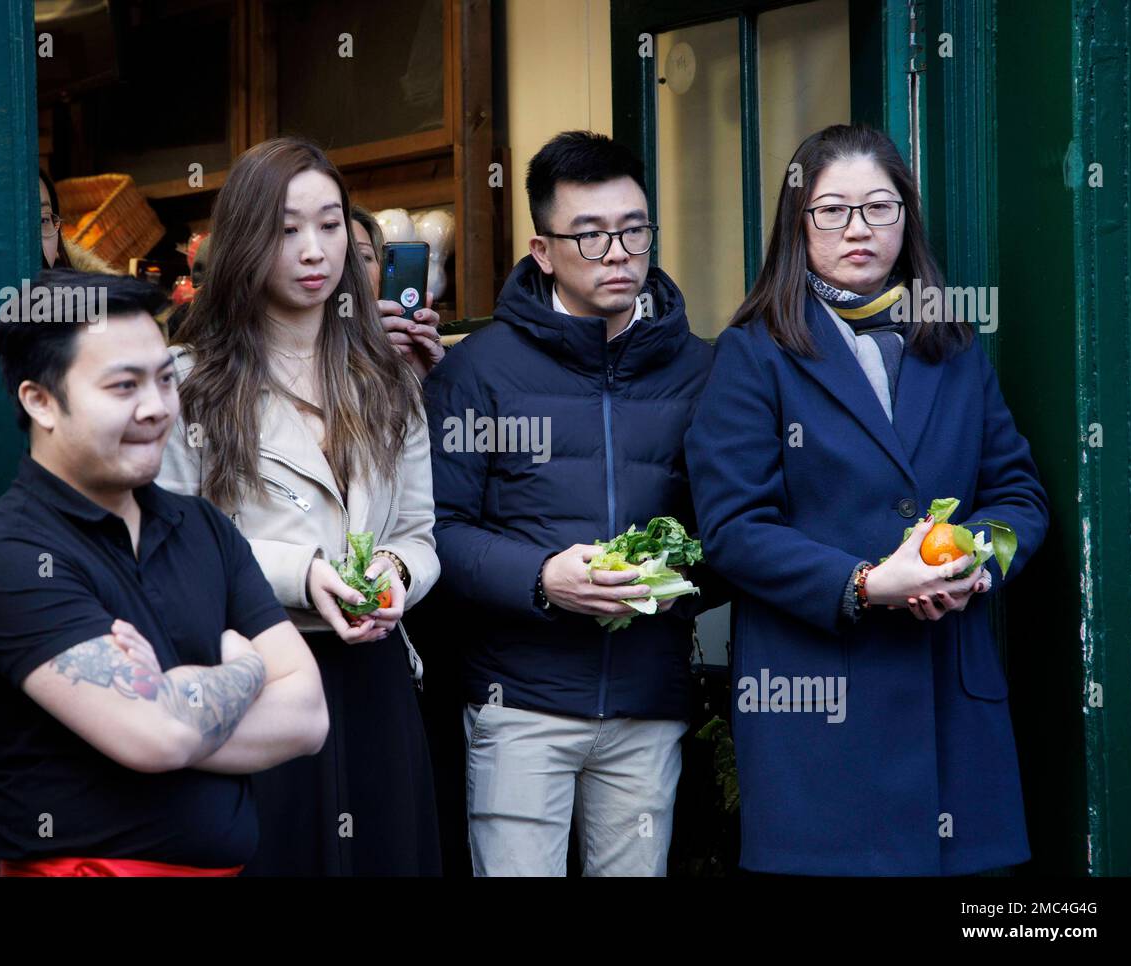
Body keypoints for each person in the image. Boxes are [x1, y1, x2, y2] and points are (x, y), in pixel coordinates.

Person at [685, 124, 1049, 876]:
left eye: (880, 207)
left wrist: (974, 561)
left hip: (952, 707)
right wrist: (865, 584)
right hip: (821, 720)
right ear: (798, 223)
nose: (859, 228)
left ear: (905, 219)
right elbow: (731, 529)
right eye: (833, 210)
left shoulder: (952, 341)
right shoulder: (752, 353)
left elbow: (1017, 492)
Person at [0, 269, 327, 876]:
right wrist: (248, 668)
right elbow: (155, 738)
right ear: (39, 400)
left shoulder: (204, 527)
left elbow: (308, 717)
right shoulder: (9, 557)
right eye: (123, 387)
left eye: (164, 380)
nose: (155, 409)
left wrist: (171, 705)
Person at [425, 130, 723, 876]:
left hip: (648, 700)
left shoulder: (703, 370)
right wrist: (541, 578)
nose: (618, 251)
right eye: (589, 236)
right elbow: (436, 532)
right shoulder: (479, 372)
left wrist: (676, 579)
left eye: (633, 229)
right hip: (519, 701)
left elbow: (739, 527)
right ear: (542, 249)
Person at [159, 138, 442, 875]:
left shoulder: (387, 378)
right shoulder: (190, 384)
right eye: (287, 230)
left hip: (375, 674)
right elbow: (170, 548)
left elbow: (419, 531)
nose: (315, 250)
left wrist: (395, 574)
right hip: (259, 676)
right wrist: (303, 573)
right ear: (247, 238)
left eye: (330, 225)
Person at [350, 204, 444, 380]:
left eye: (365, 257)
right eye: (345, 256)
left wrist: (426, 373)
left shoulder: (401, 346)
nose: (357, 268)